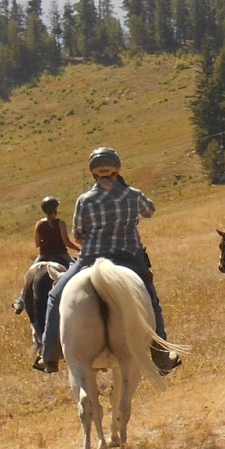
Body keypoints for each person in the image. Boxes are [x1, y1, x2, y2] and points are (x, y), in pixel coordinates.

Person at [34, 147, 181, 375]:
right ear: (117, 169)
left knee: (55, 296)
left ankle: (49, 355)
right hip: (129, 258)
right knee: (151, 299)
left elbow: (78, 234)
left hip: (90, 260)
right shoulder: (132, 194)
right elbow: (150, 211)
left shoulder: (84, 200)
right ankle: (162, 356)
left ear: (93, 173)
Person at [11, 196, 79, 313]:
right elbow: (66, 242)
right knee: (76, 270)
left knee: (28, 276)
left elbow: (37, 244)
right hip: (61, 254)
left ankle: (21, 301)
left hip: (43, 255)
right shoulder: (60, 223)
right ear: (55, 210)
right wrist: (77, 249)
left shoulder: (39, 224)